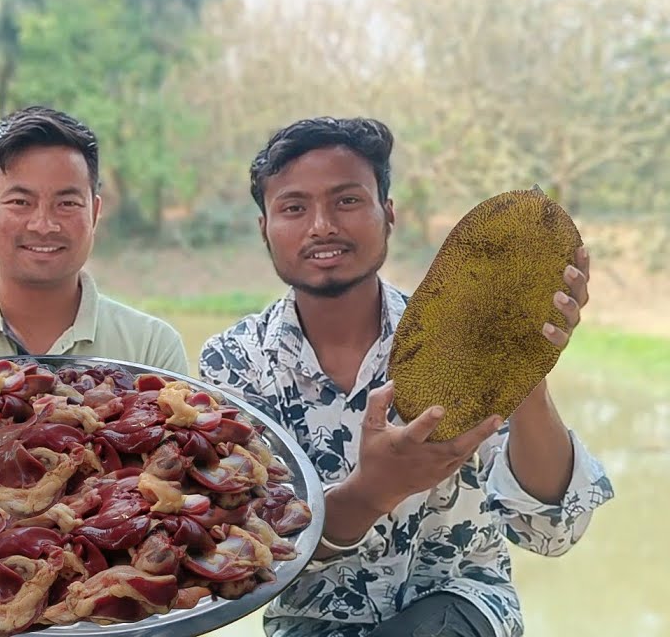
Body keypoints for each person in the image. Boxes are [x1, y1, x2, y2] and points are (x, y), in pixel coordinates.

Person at [198, 117, 614, 637]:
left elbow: (551, 531)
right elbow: (246, 553)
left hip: (460, 606)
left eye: (348, 200)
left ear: (388, 213)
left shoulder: (463, 335)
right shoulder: (233, 361)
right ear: (265, 228)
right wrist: (372, 492)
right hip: (311, 624)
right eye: (294, 207)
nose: (322, 225)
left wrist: (525, 364)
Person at [0, 105, 190, 384]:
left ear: (95, 214)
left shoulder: (151, 350)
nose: (43, 225)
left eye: (67, 203)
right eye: (20, 202)